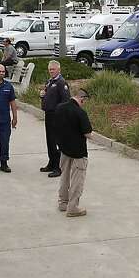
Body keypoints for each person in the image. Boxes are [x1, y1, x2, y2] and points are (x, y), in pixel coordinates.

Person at [54, 87, 93, 217]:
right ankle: (73, 207)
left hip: (64, 149)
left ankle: (63, 202)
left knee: (64, 176)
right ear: (82, 98)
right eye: (85, 101)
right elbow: (87, 133)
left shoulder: (59, 108)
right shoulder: (80, 113)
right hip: (78, 152)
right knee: (77, 179)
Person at [40, 60, 71, 178]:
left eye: (53, 69)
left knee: (56, 141)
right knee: (50, 140)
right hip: (49, 115)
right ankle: (51, 162)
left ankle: (58, 167)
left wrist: (62, 117)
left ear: (59, 70)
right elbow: (47, 96)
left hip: (57, 116)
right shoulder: (49, 82)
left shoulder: (61, 83)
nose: (51, 71)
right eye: (49, 69)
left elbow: (65, 101)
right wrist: (42, 96)